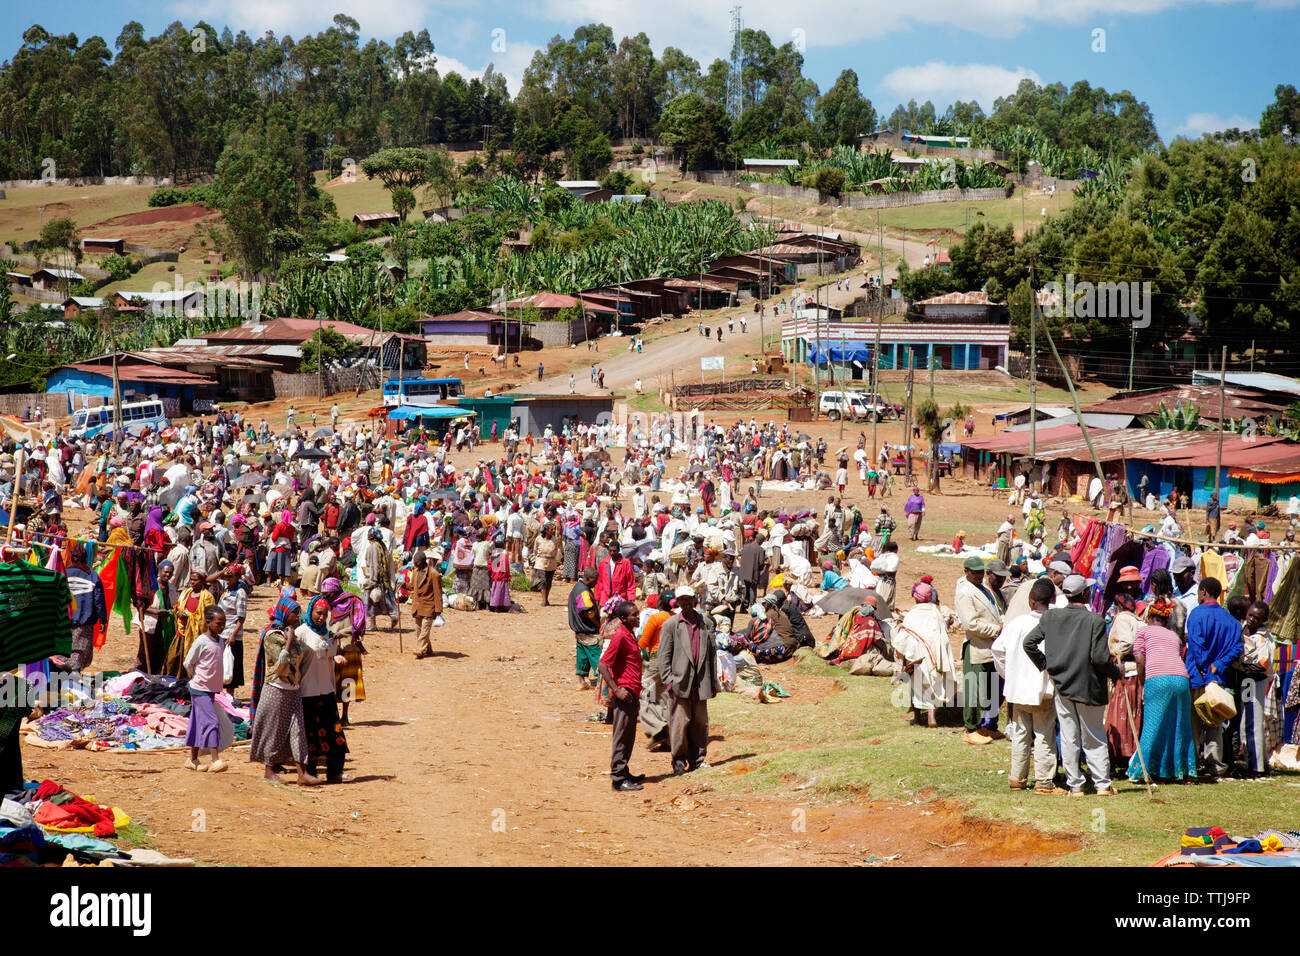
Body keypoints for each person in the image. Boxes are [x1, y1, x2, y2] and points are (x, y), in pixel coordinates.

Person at [1024, 575, 1119, 796]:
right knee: (1093, 735)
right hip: (1089, 687)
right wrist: (1116, 673)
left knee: (1069, 736)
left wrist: (1046, 665)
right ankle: (1102, 784)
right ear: (1084, 594)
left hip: (1063, 685)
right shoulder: (1095, 620)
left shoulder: (1051, 617)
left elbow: (1029, 643)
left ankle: (1075, 786)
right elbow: (1100, 659)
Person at [991, 579, 1060, 793]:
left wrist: (1009, 674)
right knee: (1044, 735)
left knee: (1021, 734)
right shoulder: (1055, 625)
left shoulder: (1016, 624)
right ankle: (1044, 781)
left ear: (1030, 602)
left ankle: (1017, 779)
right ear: (1053, 600)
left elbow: (997, 650)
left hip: (1018, 691)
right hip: (1043, 691)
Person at [249, 596, 320, 786]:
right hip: (276, 689)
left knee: (298, 731)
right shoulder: (272, 635)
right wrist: (289, 640)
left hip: (293, 689)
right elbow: (281, 663)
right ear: (284, 613)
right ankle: (269, 770)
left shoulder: (292, 633)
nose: (297, 616)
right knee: (275, 730)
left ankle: (301, 773)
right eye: (294, 613)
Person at [1128, 597, 1197, 782]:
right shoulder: (1174, 636)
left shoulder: (1143, 632)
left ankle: (1140, 770)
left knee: (1152, 726)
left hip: (1158, 679)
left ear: (1149, 617)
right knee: (1179, 726)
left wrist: (1143, 682)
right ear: (1166, 620)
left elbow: (1140, 660)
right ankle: (1181, 770)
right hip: (1182, 680)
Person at [657, 584, 720, 774]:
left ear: (694, 600)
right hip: (679, 682)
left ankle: (698, 759)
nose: (685, 603)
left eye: (688, 599)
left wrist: (713, 680)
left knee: (700, 722)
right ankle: (678, 760)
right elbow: (663, 657)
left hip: (701, 681)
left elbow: (712, 654)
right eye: (682, 600)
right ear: (677, 602)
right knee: (679, 722)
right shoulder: (671, 625)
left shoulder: (706, 623)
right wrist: (669, 681)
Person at [1184, 576, 1241, 778]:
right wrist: (1217, 667)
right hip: (1218, 680)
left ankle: (1193, 764)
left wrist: (1206, 670)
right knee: (1215, 723)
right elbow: (1237, 648)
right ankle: (1215, 766)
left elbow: (1197, 646)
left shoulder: (1196, 615)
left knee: (1194, 722)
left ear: (1203, 592)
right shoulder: (1231, 621)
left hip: (1197, 677)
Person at [298, 594, 349, 782]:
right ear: (311, 611)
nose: (321, 617)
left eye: (325, 614)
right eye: (318, 613)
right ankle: (309, 772)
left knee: (334, 733)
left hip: (326, 690)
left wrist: (334, 658)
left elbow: (328, 655)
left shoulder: (327, 634)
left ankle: (335, 772)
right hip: (308, 692)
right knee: (311, 734)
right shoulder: (301, 633)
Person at [955, 555, 1004, 745]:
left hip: (992, 647)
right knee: (974, 689)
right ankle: (971, 728)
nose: (978, 576)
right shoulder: (965, 593)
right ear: (966, 572)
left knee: (991, 689)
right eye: (974, 573)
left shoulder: (984, 589)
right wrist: (996, 630)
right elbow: (971, 623)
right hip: (977, 646)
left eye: (980, 572)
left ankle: (988, 727)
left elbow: (996, 612)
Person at [597, 600, 646, 792]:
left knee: (629, 735)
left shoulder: (629, 634)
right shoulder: (619, 636)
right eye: (634, 614)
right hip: (624, 693)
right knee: (621, 736)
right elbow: (602, 665)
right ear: (623, 618)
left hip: (632, 692)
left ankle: (624, 771)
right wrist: (617, 690)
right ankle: (618, 778)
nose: (638, 617)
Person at [182, 606, 231, 773]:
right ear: (208, 622)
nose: (222, 627)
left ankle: (193, 759)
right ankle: (215, 759)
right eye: (219, 623)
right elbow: (188, 662)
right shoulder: (202, 641)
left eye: (224, 624)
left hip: (210, 690)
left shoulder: (221, 641)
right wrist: (197, 676)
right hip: (199, 689)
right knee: (212, 722)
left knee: (196, 724)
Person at [65, 541, 107, 673]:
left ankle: (63, 675)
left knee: (65, 649)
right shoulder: (92, 576)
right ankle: (74, 674)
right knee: (80, 649)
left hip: (65, 619)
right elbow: (99, 600)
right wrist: (103, 620)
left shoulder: (64, 573)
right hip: (85, 619)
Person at [570, 568, 602, 689]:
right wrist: (598, 625)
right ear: (588, 578)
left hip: (579, 629)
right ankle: (602, 681)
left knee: (582, 654)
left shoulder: (577, 587)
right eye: (595, 580)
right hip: (588, 628)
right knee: (596, 654)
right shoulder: (583, 591)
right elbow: (588, 611)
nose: (596, 583)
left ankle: (581, 681)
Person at [409, 550, 445, 659]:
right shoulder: (415, 572)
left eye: (417, 562)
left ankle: (420, 650)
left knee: (424, 631)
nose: (415, 564)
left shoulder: (434, 574)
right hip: (417, 607)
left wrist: (438, 610)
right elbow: (412, 587)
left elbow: (438, 593)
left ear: (423, 561)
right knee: (419, 630)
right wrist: (403, 585)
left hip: (429, 607)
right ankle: (428, 649)